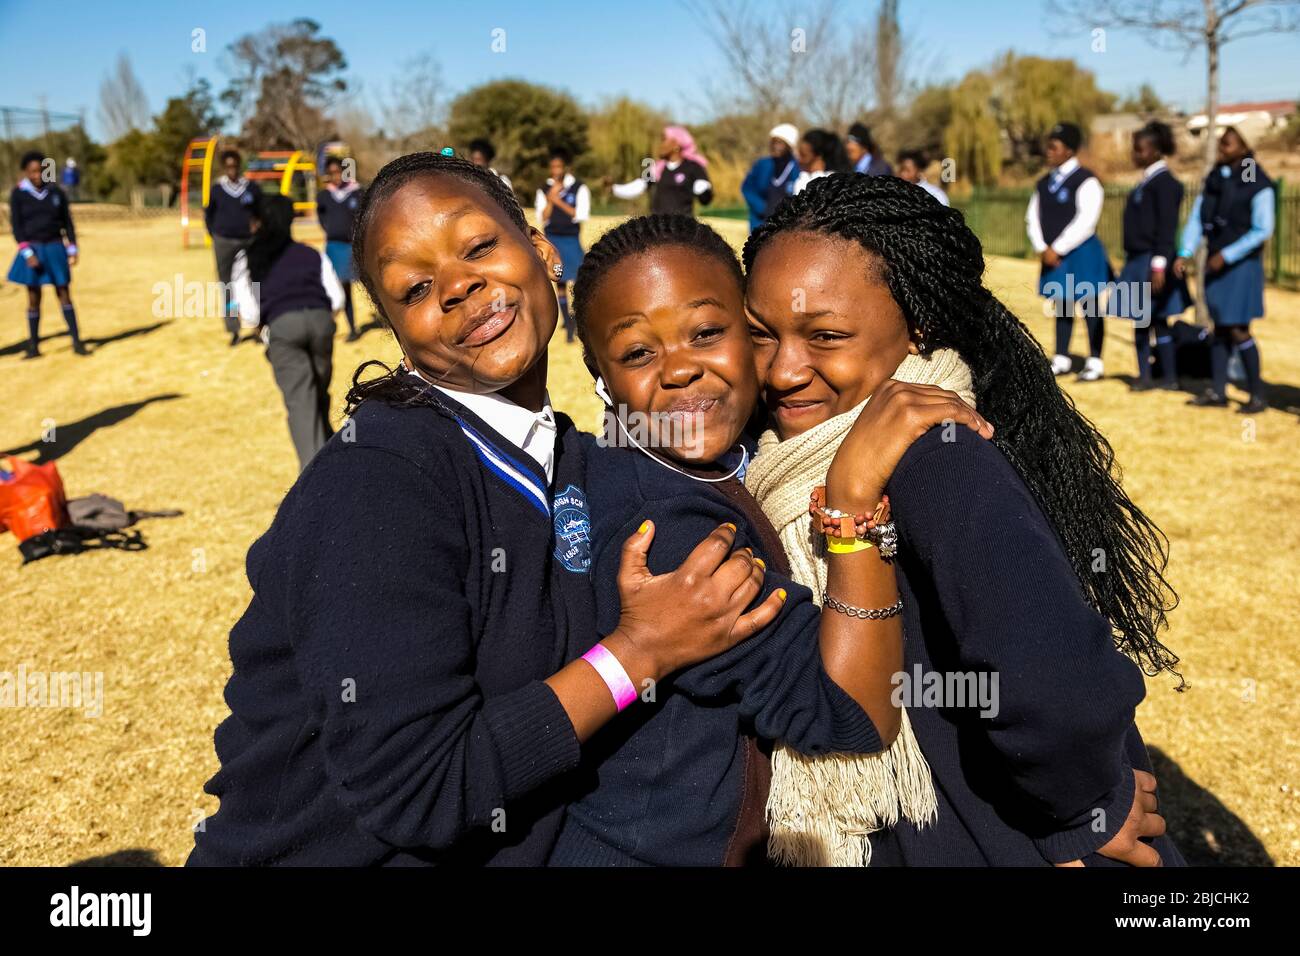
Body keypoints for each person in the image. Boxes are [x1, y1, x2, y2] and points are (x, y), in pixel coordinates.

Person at [189, 151, 782, 867]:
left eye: (477, 247)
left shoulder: (563, 453)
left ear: (540, 250)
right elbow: (419, 787)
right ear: (395, 328)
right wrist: (638, 653)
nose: (459, 286)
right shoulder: (376, 482)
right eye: (414, 289)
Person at [743, 173, 1183, 867]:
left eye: (825, 336)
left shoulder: (937, 454)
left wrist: (1082, 813)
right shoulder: (779, 454)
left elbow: (1057, 677)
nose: (784, 370)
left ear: (920, 324)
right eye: (760, 333)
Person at [550, 214, 992, 866]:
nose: (679, 371)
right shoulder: (668, 536)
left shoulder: (732, 454)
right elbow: (853, 716)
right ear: (600, 377)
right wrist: (850, 504)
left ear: (754, 336)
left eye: (706, 332)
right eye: (639, 353)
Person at [231, 194, 344, 470]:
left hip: (283, 327)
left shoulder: (247, 258)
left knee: (302, 404)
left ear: (260, 222)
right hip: (321, 323)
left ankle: (317, 478)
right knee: (318, 393)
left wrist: (266, 328)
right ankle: (335, 456)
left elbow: (248, 312)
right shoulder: (310, 253)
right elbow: (337, 298)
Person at [1175, 126, 1275, 414]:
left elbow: (1263, 228)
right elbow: (1197, 217)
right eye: (1221, 141)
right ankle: (1218, 392)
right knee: (1219, 328)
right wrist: (1186, 251)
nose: (1221, 146)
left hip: (1241, 266)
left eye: (1228, 143)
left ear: (1245, 146)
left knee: (1238, 328)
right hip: (1214, 263)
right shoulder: (1216, 177)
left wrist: (1228, 255)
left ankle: (1257, 396)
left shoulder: (1255, 180)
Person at [1026, 121, 1112, 382]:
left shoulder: (1087, 181)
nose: (1048, 151)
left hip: (1081, 252)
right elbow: (1032, 217)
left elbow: (1087, 220)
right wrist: (1042, 247)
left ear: (1069, 150)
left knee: (1090, 305)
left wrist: (1059, 247)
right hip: (1052, 254)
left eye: (1054, 146)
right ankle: (1062, 357)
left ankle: (1095, 361)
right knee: (1061, 302)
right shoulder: (1043, 183)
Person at [1109, 121, 1190, 392]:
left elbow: (1167, 227)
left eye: (1140, 149)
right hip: (1137, 258)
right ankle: (1144, 375)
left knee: (1158, 320)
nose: (1135, 154)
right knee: (1141, 319)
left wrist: (1158, 265)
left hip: (1153, 259)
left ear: (1155, 150)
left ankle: (1169, 378)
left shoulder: (1166, 184)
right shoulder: (1146, 182)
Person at [7, 150, 86, 358]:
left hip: (55, 247)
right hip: (32, 249)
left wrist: (72, 247)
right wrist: (27, 252)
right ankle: (33, 346)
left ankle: (77, 342)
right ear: (26, 172)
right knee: (33, 297)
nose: (37, 175)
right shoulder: (18, 194)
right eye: (32, 171)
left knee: (64, 293)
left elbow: (67, 222)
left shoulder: (56, 193)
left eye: (41, 171)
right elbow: (17, 226)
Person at [205, 149, 262, 346]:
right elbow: (208, 215)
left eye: (235, 166)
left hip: (249, 242)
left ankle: (258, 325)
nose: (232, 170)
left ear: (239, 166)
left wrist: (256, 225)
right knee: (226, 285)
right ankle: (234, 329)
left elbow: (261, 212)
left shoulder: (251, 188)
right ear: (224, 168)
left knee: (255, 282)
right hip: (224, 242)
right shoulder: (217, 189)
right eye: (228, 167)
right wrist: (216, 235)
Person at [533, 147, 590, 343]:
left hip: (571, 240)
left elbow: (580, 214)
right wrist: (551, 199)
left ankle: (578, 320)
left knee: (581, 282)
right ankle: (567, 325)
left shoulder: (579, 187)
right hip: (553, 240)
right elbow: (543, 217)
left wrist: (558, 200)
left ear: (566, 168)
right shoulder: (544, 189)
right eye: (552, 167)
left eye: (559, 166)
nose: (555, 170)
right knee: (560, 282)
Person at [610, 125, 713, 217]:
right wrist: (614, 189)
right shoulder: (657, 168)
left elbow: (705, 199)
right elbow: (639, 186)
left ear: (676, 144)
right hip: (658, 227)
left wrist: (703, 192)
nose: (660, 144)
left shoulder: (694, 167)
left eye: (664, 139)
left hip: (682, 229)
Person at [316, 155, 363, 342]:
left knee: (369, 285)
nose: (335, 176)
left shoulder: (357, 192)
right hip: (335, 247)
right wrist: (330, 229)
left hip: (354, 246)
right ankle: (352, 328)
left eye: (338, 171)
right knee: (340, 288)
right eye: (331, 172)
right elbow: (321, 216)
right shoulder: (324, 195)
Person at [740, 123, 800, 232]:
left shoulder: (797, 167)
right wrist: (762, 208)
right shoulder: (762, 164)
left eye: (780, 142)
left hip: (787, 225)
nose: (775, 146)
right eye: (773, 142)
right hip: (760, 223)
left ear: (790, 145)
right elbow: (747, 188)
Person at [793, 128, 849, 194]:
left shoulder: (831, 182)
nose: (798, 159)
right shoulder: (803, 177)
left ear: (818, 157)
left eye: (803, 155)